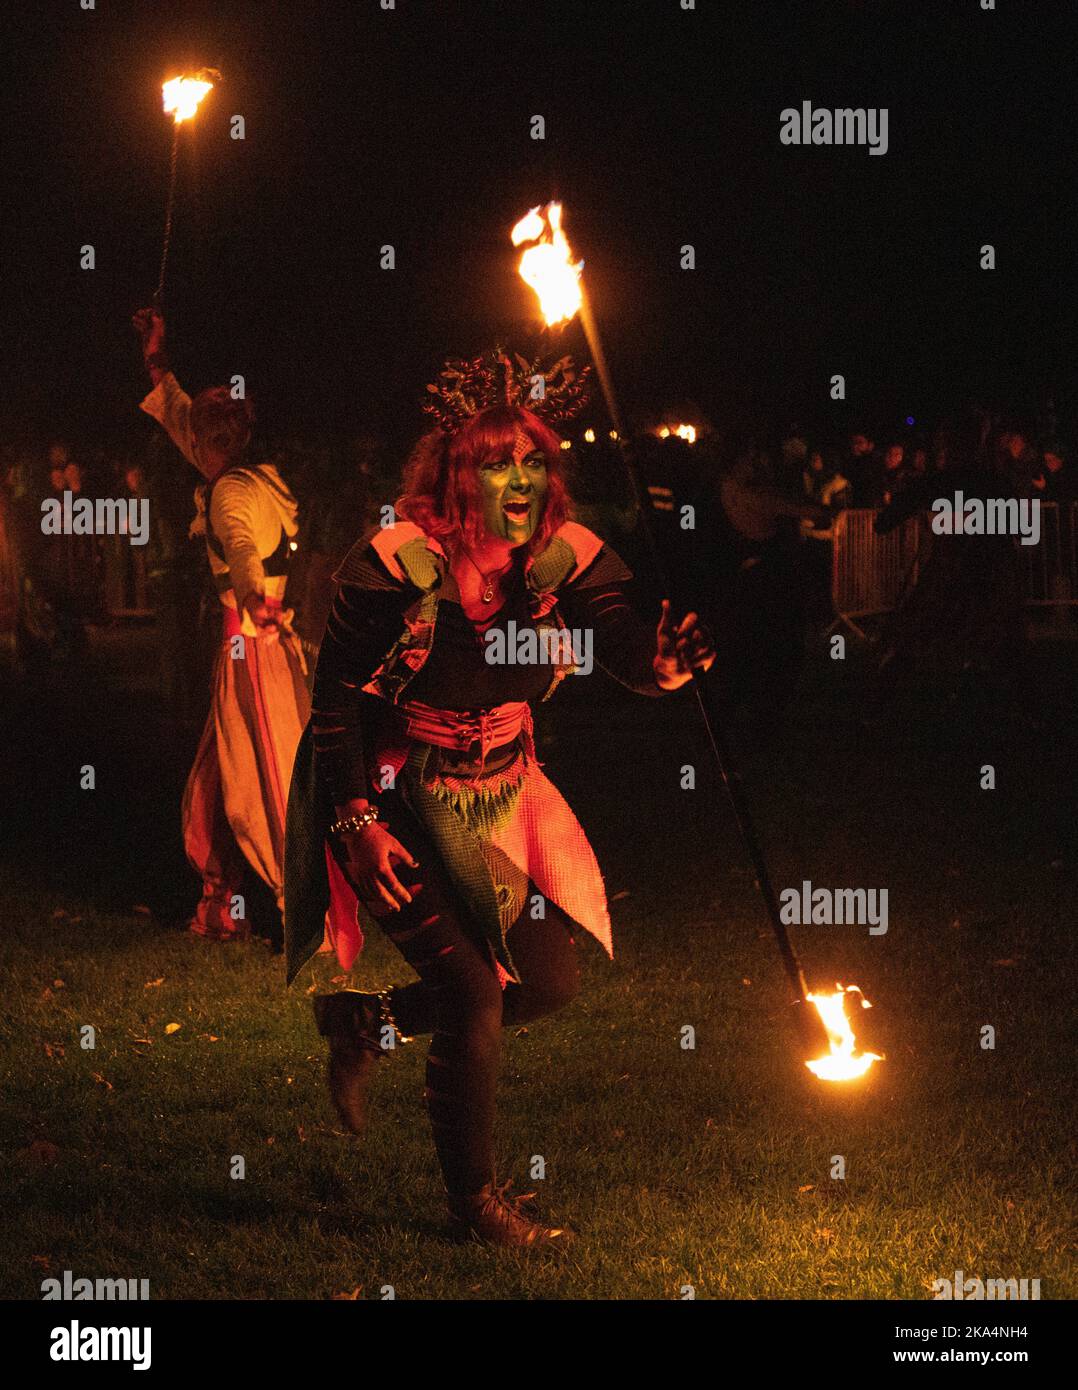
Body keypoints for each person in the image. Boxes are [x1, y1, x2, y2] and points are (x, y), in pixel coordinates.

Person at [284, 351, 714, 1247]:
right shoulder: (394, 567)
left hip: (507, 788)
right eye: (494, 462)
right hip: (395, 792)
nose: (519, 480)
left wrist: (667, 664)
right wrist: (357, 824)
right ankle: (475, 1206)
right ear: (455, 476)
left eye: (531, 461)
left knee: (547, 980)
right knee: (475, 993)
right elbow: (333, 706)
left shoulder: (560, 559)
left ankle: (367, 1021)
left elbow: (630, 652)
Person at [132, 306, 310, 941]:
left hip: (254, 651)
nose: (189, 445)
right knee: (213, 783)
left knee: (263, 782)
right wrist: (157, 353)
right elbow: (179, 416)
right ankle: (220, 906)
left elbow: (239, 548)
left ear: (215, 443)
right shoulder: (248, 473)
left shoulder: (232, 492)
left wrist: (255, 597)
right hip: (250, 652)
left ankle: (302, 908)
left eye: (197, 439)